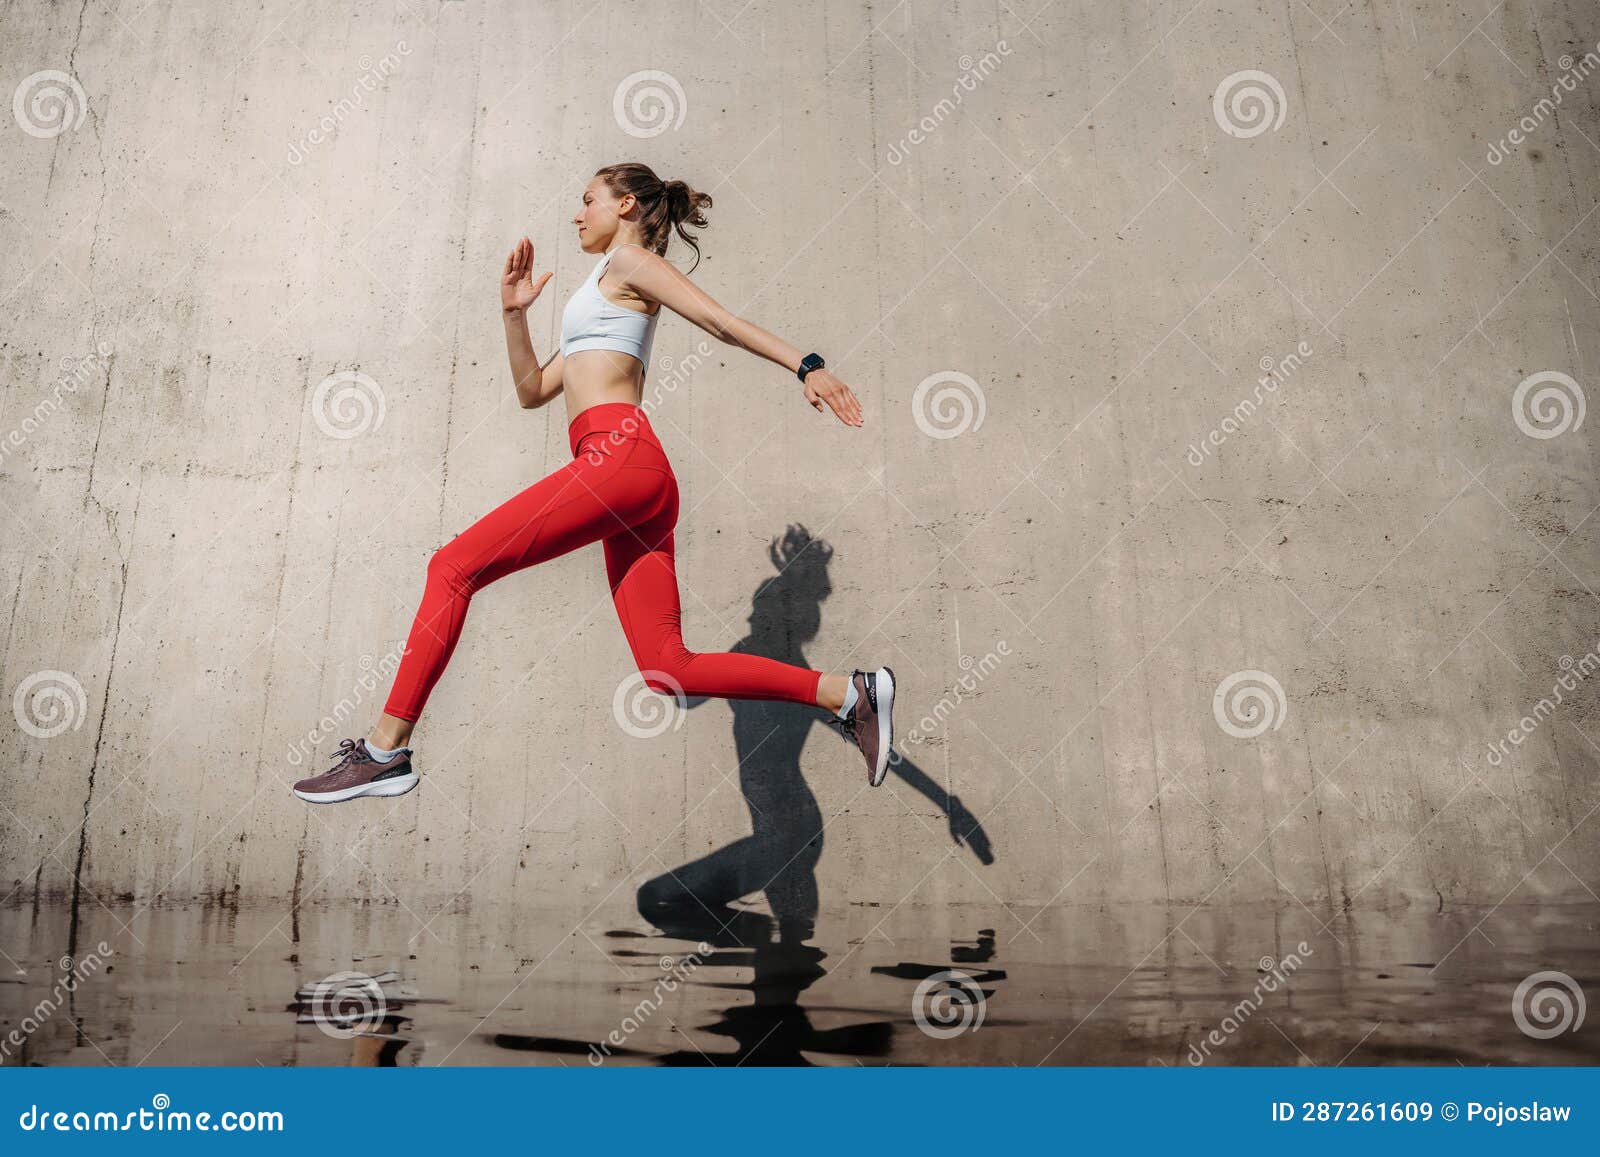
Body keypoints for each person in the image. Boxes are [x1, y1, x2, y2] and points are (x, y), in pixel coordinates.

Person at [292, 163, 896, 805]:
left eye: (588, 202)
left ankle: (385, 753)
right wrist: (513, 313)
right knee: (669, 670)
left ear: (626, 205)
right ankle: (848, 694)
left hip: (618, 456)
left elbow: (719, 323)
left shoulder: (631, 264)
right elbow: (532, 392)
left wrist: (808, 365)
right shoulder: (597, 292)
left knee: (452, 567)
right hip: (632, 476)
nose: (577, 215)